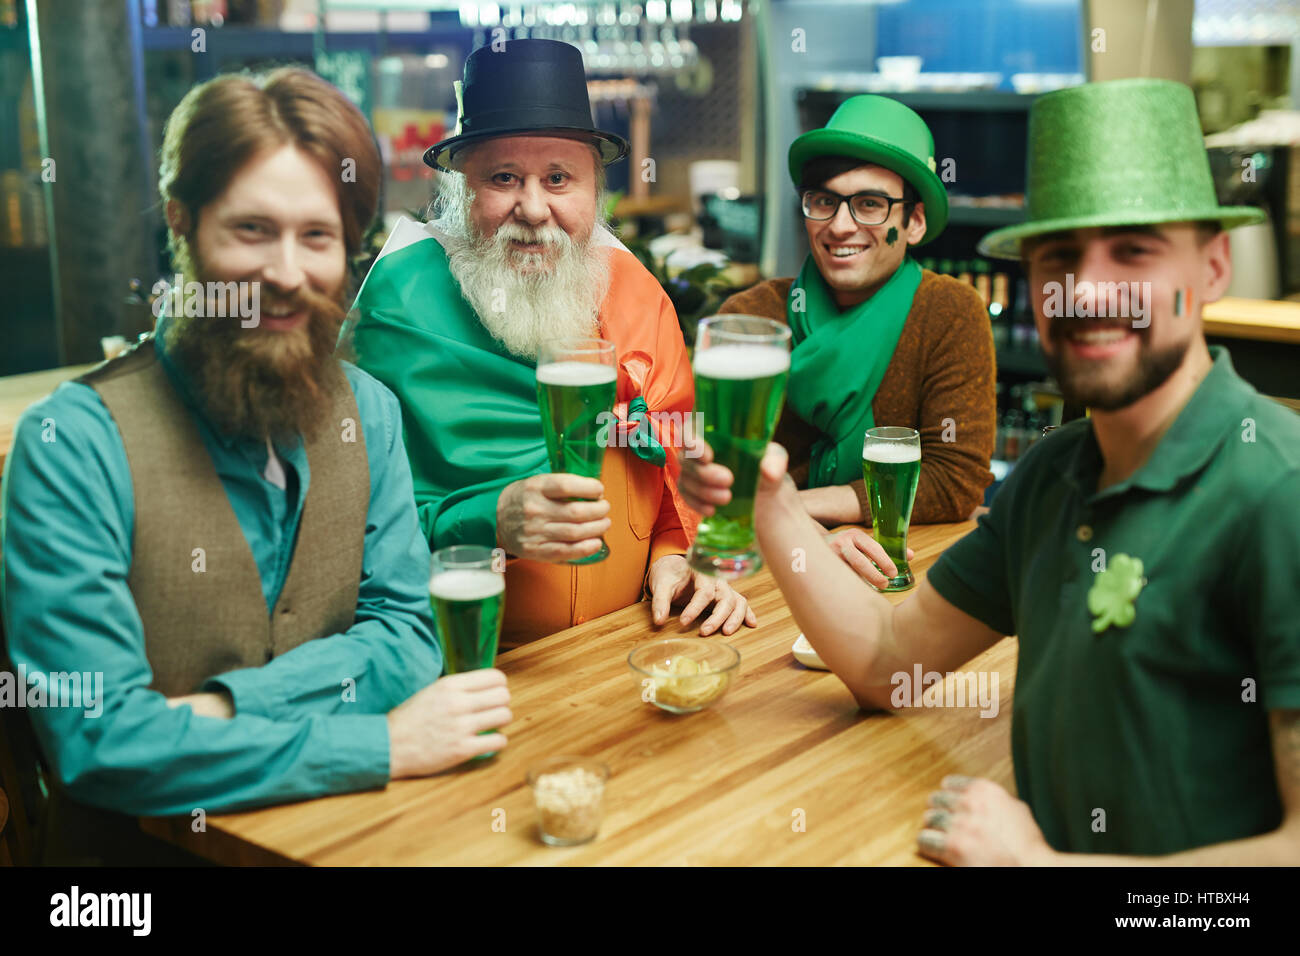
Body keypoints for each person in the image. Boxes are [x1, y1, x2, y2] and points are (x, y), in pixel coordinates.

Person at [680, 78, 1300, 864]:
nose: (1089, 290)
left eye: (1135, 252)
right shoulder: (1051, 477)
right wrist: (769, 497)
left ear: (1214, 267)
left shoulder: (1280, 497)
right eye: (1060, 258)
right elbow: (886, 663)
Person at [0, 67, 510, 864]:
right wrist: (375, 743)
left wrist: (211, 714)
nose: (285, 272)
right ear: (181, 223)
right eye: (250, 230)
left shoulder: (369, 413)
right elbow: (99, 739)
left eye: (316, 236)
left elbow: (411, 638)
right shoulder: (72, 443)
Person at [351, 39, 754, 647]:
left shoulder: (637, 291)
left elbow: (673, 454)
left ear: (595, 189)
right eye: (503, 177)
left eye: (559, 178)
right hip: (458, 665)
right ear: (463, 188)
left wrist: (673, 556)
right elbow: (348, 521)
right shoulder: (396, 303)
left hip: (628, 648)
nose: (533, 208)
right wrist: (488, 519)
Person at [716, 94, 995, 570]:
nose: (840, 226)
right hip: (765, 565)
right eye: (824, 201)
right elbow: (720, 477)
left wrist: (800, 505)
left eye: (870, 204)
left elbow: (955, 481)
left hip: (900, 564)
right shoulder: (751, 316)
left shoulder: (948, 311)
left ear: (915, 222)